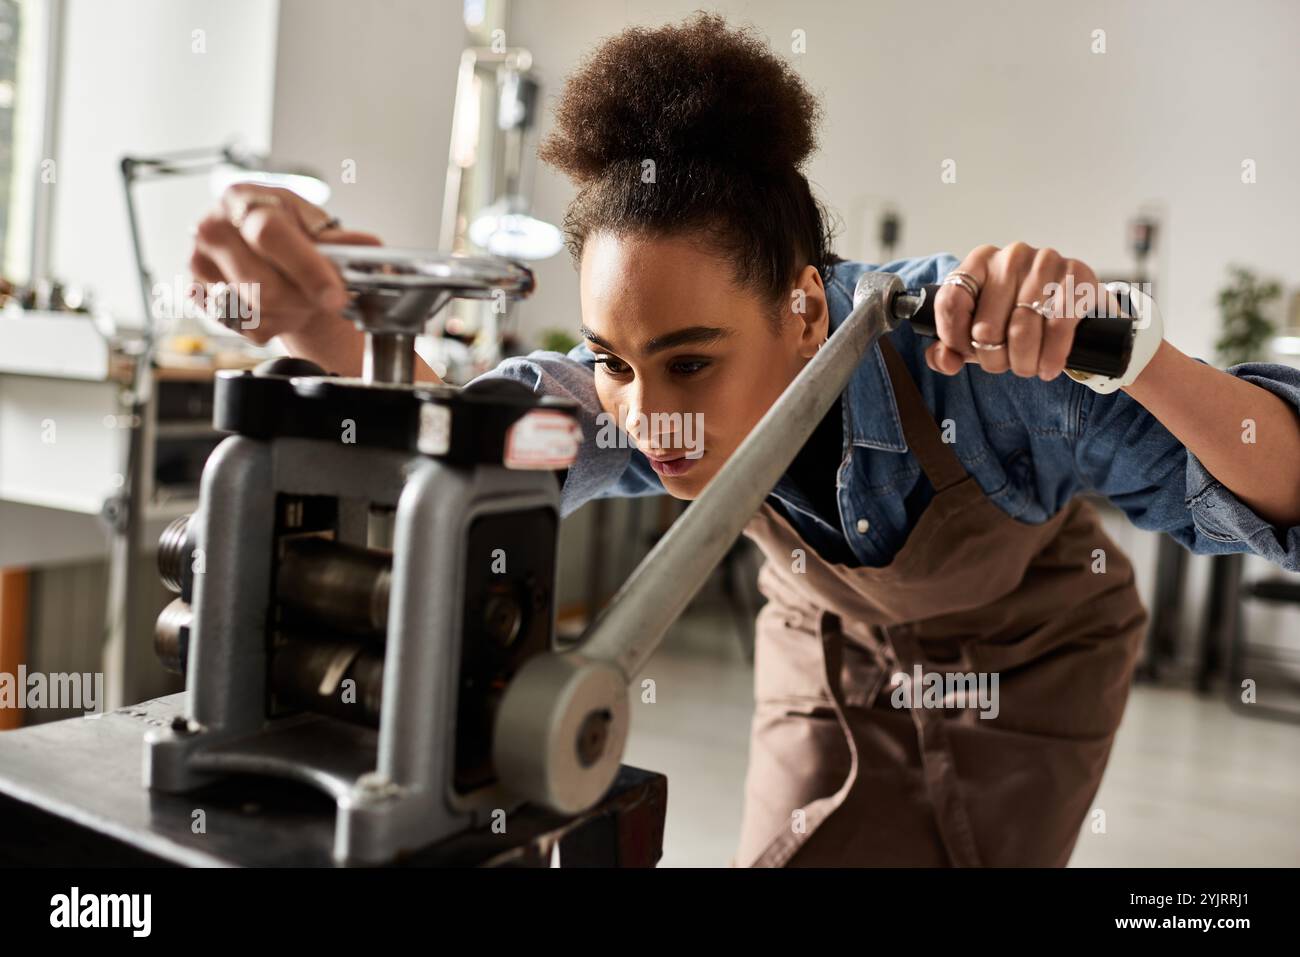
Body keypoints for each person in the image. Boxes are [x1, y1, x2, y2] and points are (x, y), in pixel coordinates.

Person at [188, 13, 1300, 866]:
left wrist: (1138, 354)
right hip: (828, 642)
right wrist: (315, 323)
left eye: (689, 360)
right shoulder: (638, 405)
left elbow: (1284, 481)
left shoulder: (984, 366)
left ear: (805, 307)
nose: (644, 412)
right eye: (614, 360)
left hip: (1028, 662)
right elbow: (474, 450)